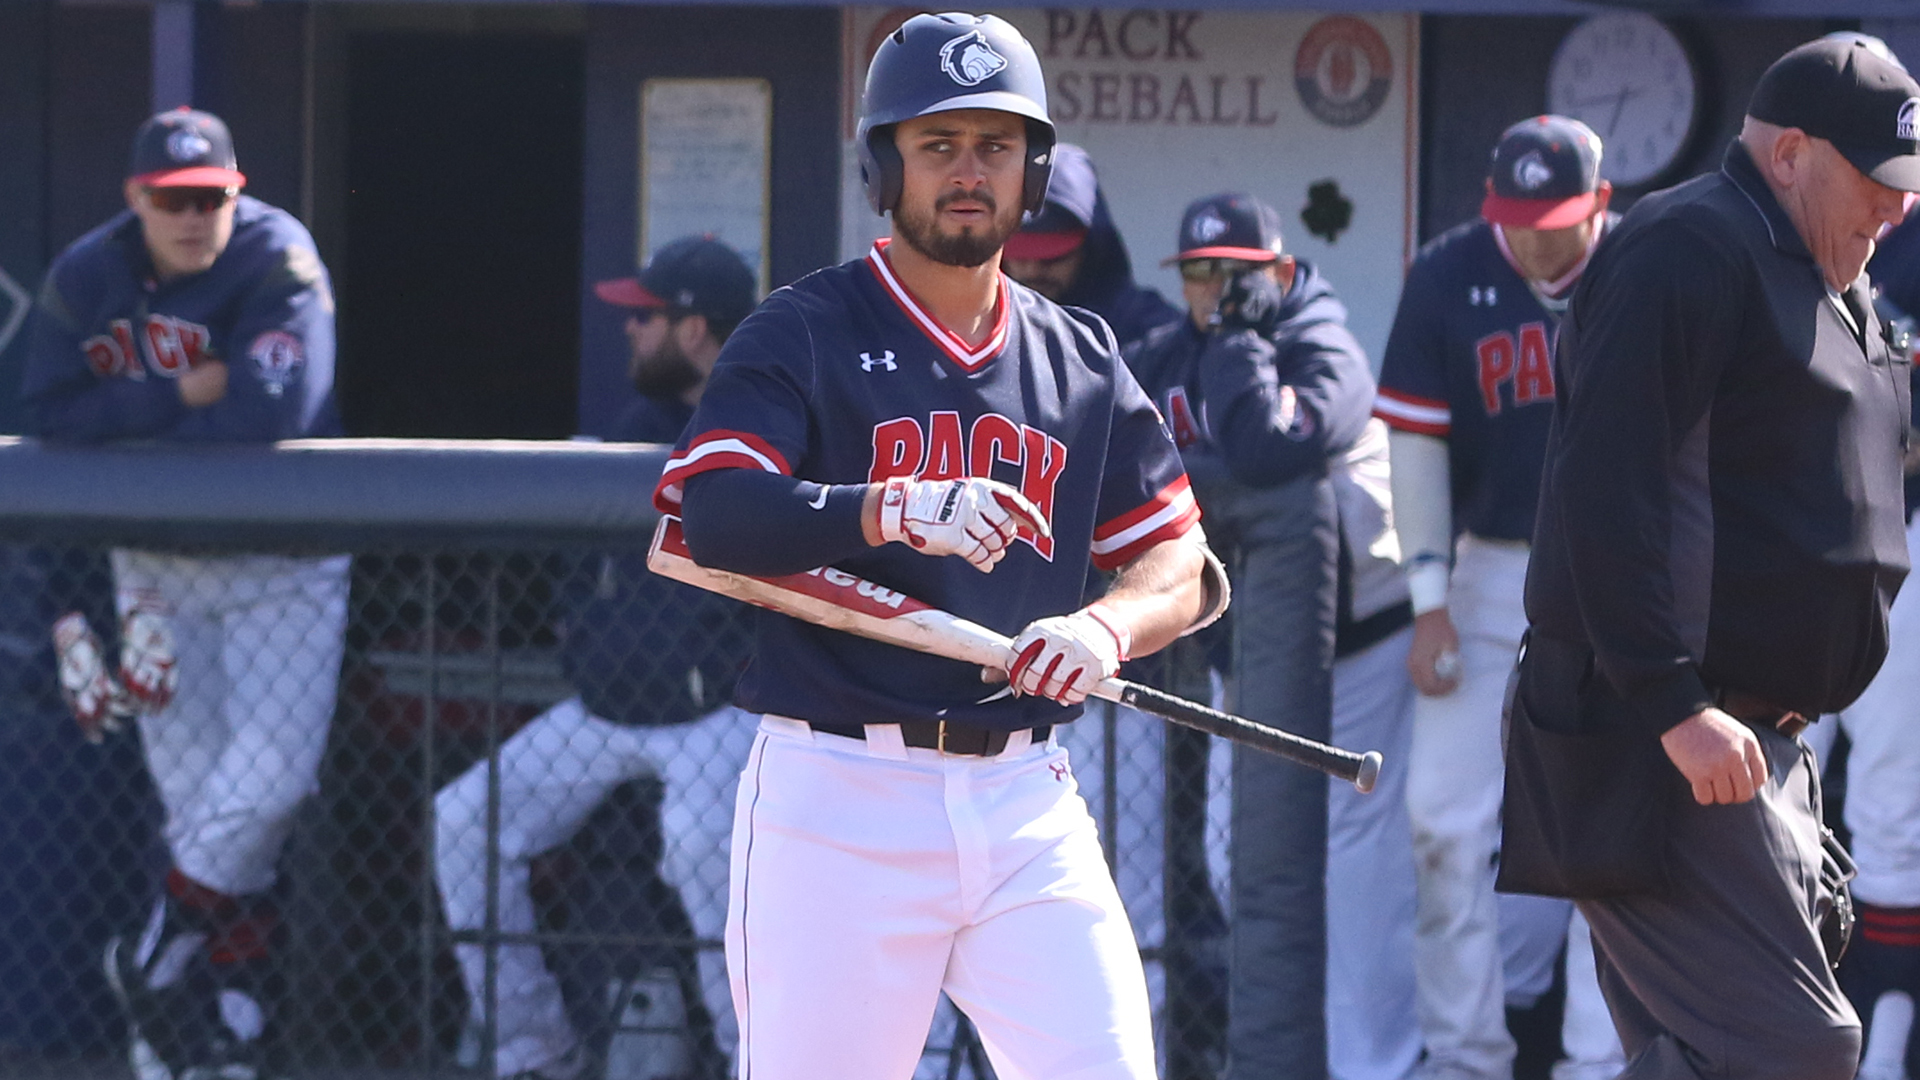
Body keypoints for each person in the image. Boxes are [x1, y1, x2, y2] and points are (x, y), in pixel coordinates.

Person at [650, 14, 1224, 1079]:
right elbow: (716, 515)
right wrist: (885, 509)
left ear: (1033, 171)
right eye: (939, 144)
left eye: (996, 146)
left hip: (1027, 798)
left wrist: (1104, 626)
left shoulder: (1080, 357)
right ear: (883, 165)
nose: (970, 172)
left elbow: (1179, 565)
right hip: (839, 795)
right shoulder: (803, 327)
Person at [1508, 36, 1920, 1080]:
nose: (1899, 207)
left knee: (1700, 1053)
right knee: (1798, 1050)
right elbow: (1605, 491)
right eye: (1878, 179)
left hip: (1757, 746)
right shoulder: (1689, 247)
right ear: (1789, 153)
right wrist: (1671, 704)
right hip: (1664, 737)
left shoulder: (1833, 275)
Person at [20, 106, 345, 1080]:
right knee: (203, 807)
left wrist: (123, 427)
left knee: (270, 788)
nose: (194, 217)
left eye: (210, 198)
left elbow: (269, 414)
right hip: (152, 569)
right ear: (137, 199)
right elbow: (39, 411)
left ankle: (158, 955)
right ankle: (211, 1038)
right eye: (174, 201)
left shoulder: (278, 257)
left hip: (281, 567)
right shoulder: (89, 270)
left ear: (235, 193)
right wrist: (175, 394)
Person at [433, 235, 758, 1080]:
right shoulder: (629, 427)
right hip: (608, 713)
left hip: (719, 715)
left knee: (699, 845)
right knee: (465, 820)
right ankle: (532, 1049)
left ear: (694, 331)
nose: (629, 331)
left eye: (646, 317)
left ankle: (751, 1058)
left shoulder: (768, 422)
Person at [1374, 115, 1624, 1080]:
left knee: (1611, 836)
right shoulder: (1451, 272)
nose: (1530, 237)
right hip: (1489, 570)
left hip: (1620, 577)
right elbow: (1415, 446)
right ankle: (1463, 1056)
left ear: (1599, 203)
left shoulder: (1646, 265)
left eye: (1552, 219)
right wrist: (1427, 599)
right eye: (1516, 216)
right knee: (1442, 818)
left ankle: (1598, 1062)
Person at [1126, 192, 1376, 1080]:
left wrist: (1239, 338)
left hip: (1368, 655)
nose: (1211, 292)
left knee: (1350, 879)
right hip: (1240, 648)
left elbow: (1273, 449)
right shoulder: (1160, 352)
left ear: (1276, 272)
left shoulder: (1321, 343)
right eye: (1198, 274)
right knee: (1236, 873)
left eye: (1232, 274)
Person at [1001, 142, 1181, 350]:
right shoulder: (968, 326)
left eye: (1052, 258)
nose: (1033, 271)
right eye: (1020, 257)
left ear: (1092, 251)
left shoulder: (1149, 333)